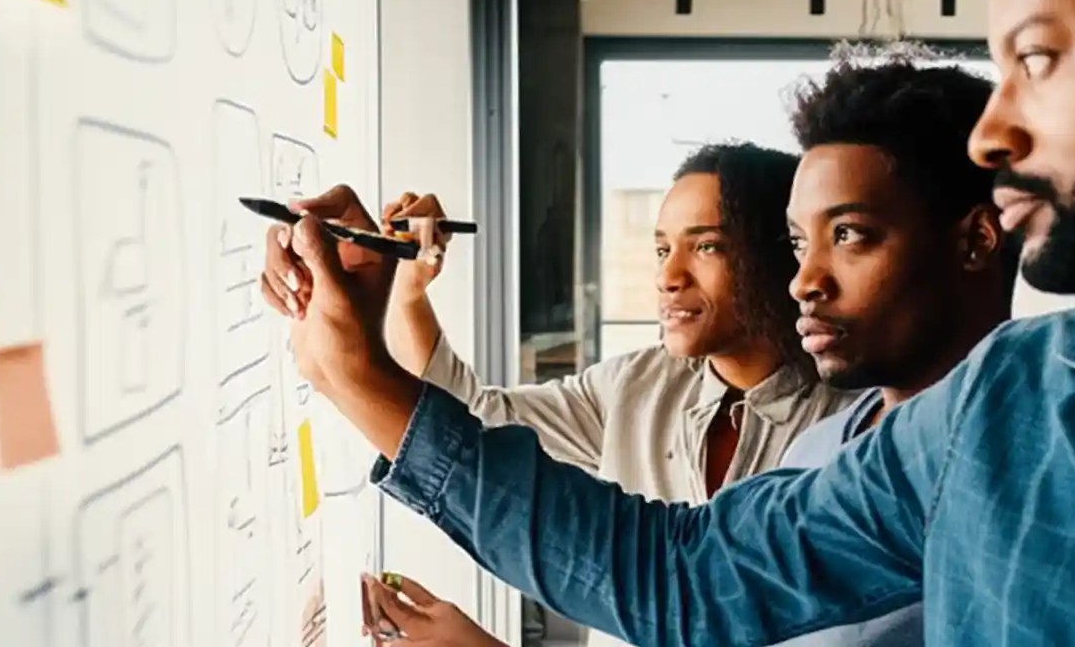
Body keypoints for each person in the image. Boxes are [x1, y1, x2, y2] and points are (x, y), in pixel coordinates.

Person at [274, 0, 1075, 644]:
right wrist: (358, 372)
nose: (993, 137)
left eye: (1037, 60)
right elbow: (679, 576)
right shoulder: (995, 411)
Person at [262, 143, 856, 646]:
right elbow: (479, 426)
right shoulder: (636, 386)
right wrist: (410, 294)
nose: (667, 275)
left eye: (706, 246)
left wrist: (347, 366)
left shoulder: (853, 430)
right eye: (660, 248)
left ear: (782, 257)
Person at [772, 53, 1017, 647]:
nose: (805, 281)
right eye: (800, 242)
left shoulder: (1042, 465)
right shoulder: (810, 459)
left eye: (848, 234)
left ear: (975, 241)